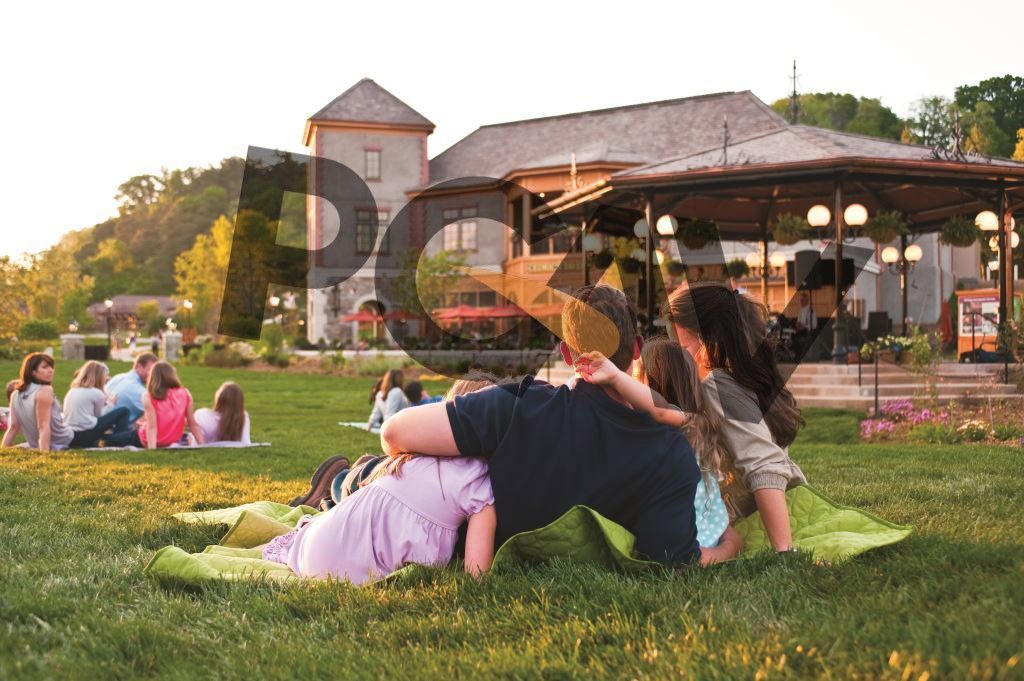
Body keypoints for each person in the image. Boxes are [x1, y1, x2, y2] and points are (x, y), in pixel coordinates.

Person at [379, 284, 702, 566]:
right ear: (636, 348)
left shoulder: (516, 405)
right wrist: (730, 545)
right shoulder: (669, 451)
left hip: (420, 523)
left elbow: (395, 432)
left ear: (566, 353)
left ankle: (347, 478)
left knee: (381, 469)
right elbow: (670, 561)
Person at [261, 413, 496, 583]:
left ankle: (324, 501)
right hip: (346, 572)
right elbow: (477, 575)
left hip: (314, 549)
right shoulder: (480, 487)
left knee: (357, 487)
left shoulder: (412, 454)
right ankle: (326, 497)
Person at [663, 281, 807, 553]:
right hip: (776, 504)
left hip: (762, 517)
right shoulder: (740, 376)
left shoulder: (720, 386)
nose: (684, 357)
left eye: (685, 348)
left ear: (708, 340)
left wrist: (785, 550)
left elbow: (765, 463)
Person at [575, 339, 743, 565]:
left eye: (636, 379)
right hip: (712, 519)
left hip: (684, 524)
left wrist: (615, 377)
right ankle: (716, 553)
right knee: (731, 537)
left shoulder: (680, 419)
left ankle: (704, 557)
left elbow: (659, 412)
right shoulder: (702, 418)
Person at [104, 361, 204, 449]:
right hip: (170, 440)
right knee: (124, 434)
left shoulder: (149, 396)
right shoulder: (185, 393)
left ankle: (95, 439)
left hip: (144, 439)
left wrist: (152, 450)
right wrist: (203, 445)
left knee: (111, 440)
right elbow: (193, 424)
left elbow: (152, 427)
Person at [2, 353, 74, 451]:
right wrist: (44, 454)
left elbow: (13, 427)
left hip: (38, 442)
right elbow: (43, 426)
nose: (51, 371)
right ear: (33, 372)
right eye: (45, 367)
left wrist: (2, 450)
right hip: (66, 439)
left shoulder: (15, 394)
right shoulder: (45, 390)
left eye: (51, 367)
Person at [63, 360, 134, 448]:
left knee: (104, 435)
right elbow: (99, 416)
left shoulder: (72, 390)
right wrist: (110, 403)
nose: (106, 378)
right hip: (86, 432)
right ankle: (119, 440)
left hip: (72, 434)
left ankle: (113, 439)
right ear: (99, 376)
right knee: (124, 411)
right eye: (105, 375)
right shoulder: (96, 393)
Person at [105, 353, 158, 423]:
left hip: (101, 423)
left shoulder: (118, 377)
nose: (154, 375)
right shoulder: (139, 391)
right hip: (112, 430)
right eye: (151, 370)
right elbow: (159, 414)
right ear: (138, 367)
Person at [794, 292, 817, 359]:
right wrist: (798, 325)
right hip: (800, 332)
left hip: (808, 333)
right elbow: (798, 322)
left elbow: (814, 325)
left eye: (803, 300)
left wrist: (804, 327)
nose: (801, 302)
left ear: (807, 301)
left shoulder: (811, 311)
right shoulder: (801, 311)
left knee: (799, 341)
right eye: (800, 300)